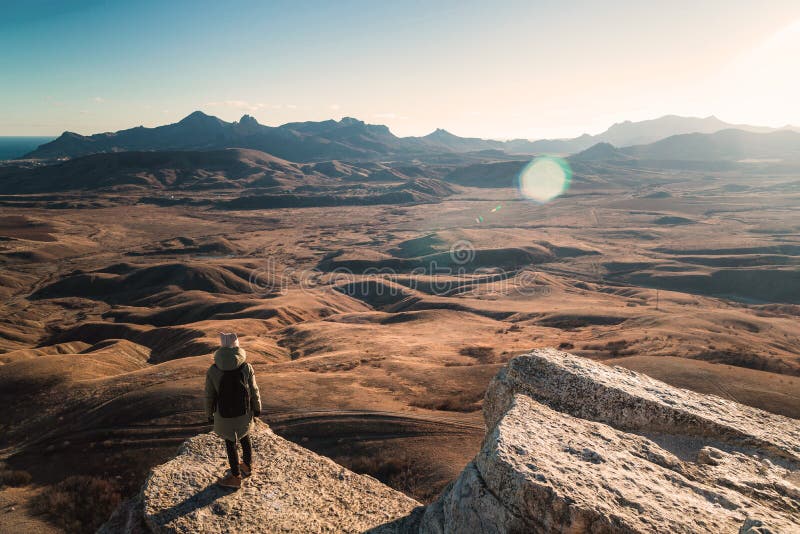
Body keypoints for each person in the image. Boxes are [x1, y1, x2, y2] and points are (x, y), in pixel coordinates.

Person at [205, 332, 262, 489]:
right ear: (237, 348)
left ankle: (235, 477)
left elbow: (209, 395)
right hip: (244, 411)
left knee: (230, 443)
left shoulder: (213, 370)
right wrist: (257, 408)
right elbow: (254, 390)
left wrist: (209, 414)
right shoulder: (246, 367)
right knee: (245, 436)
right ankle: (247, 466)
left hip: (224, 414)